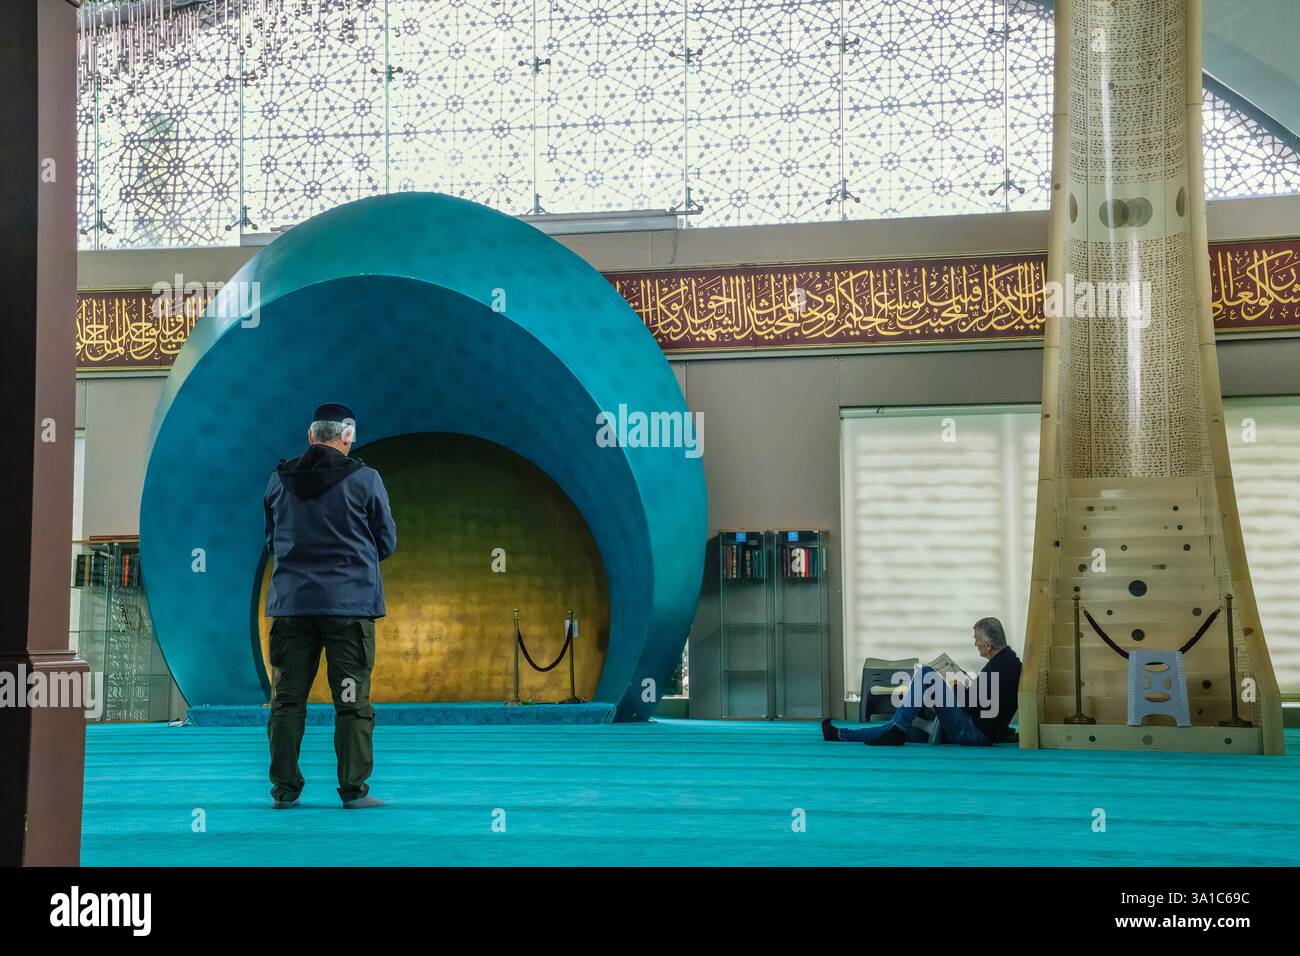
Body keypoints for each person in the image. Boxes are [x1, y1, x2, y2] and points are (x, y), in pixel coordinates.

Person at [263, 402, 397, 809]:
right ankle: (353, 791)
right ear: (347, 435)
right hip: (348, 610)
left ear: (309, 436)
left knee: (287, 702)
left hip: (292, 610)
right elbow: (386, 541)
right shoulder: (366, 480)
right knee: (351, 700)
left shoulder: (277, 482)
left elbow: (272, 543)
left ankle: (285, 791)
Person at [822, 617, 1021, 746]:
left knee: (927, 674)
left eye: (976, 639)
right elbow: (989, 703)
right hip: (978, 730)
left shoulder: (1000, 667)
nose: (974, 643)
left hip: (972, 732)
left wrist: (955, 688)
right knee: (906, 729)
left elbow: (975, 705)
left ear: (988, 644)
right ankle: (840, 734)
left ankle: (897, 729)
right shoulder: (1007, 662)